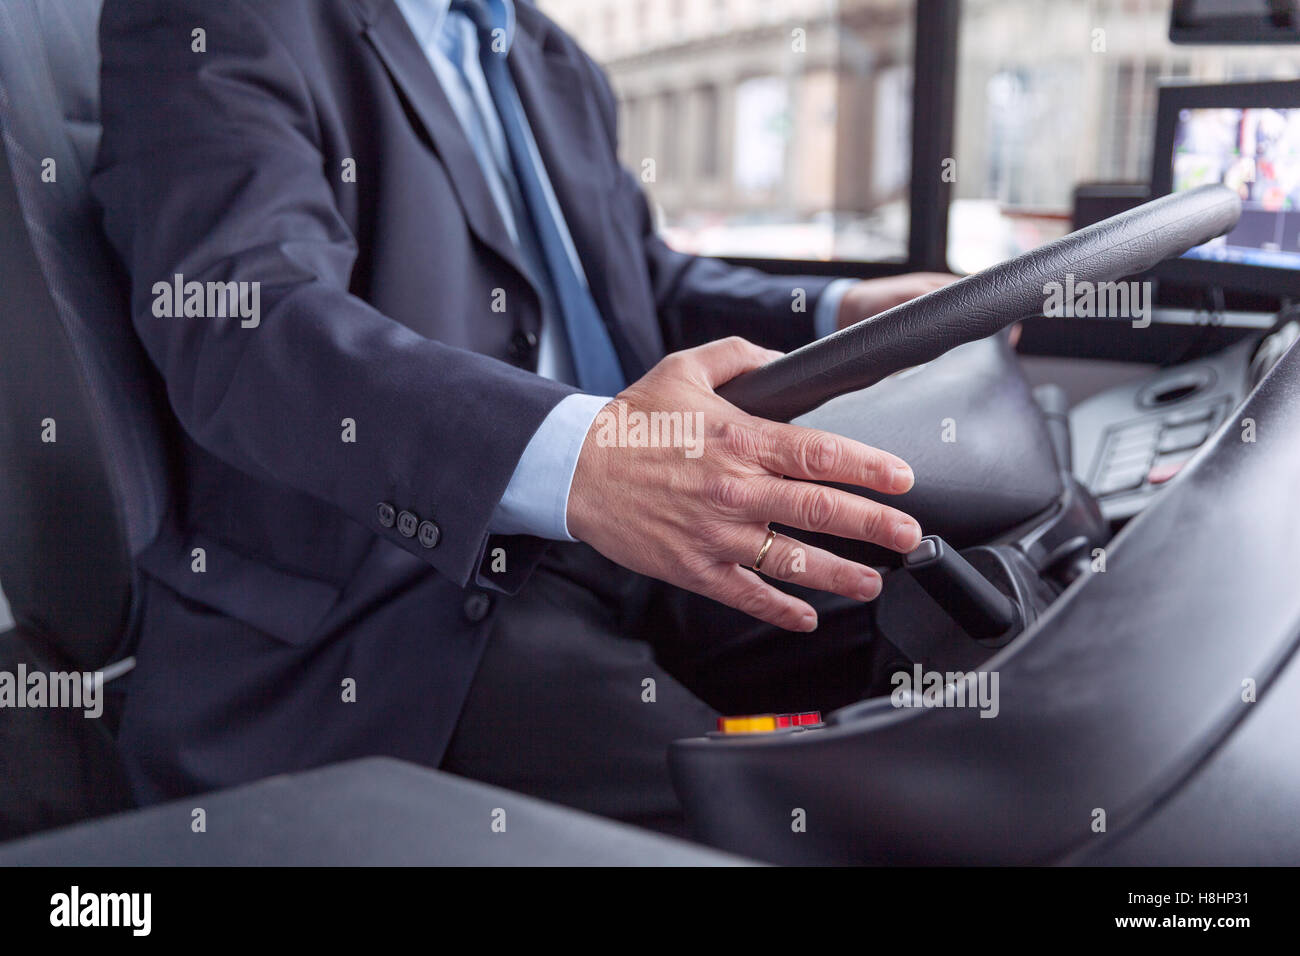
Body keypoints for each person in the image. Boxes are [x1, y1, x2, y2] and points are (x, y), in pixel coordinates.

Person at [92, 0, 952, 832]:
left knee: (946, 645)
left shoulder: (546, 53)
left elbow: (643, 287)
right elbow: (246, 322)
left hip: (640, 539)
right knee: (771, 815)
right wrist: (580, 460)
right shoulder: (223, 16)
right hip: (408, 592)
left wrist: (838, 306)